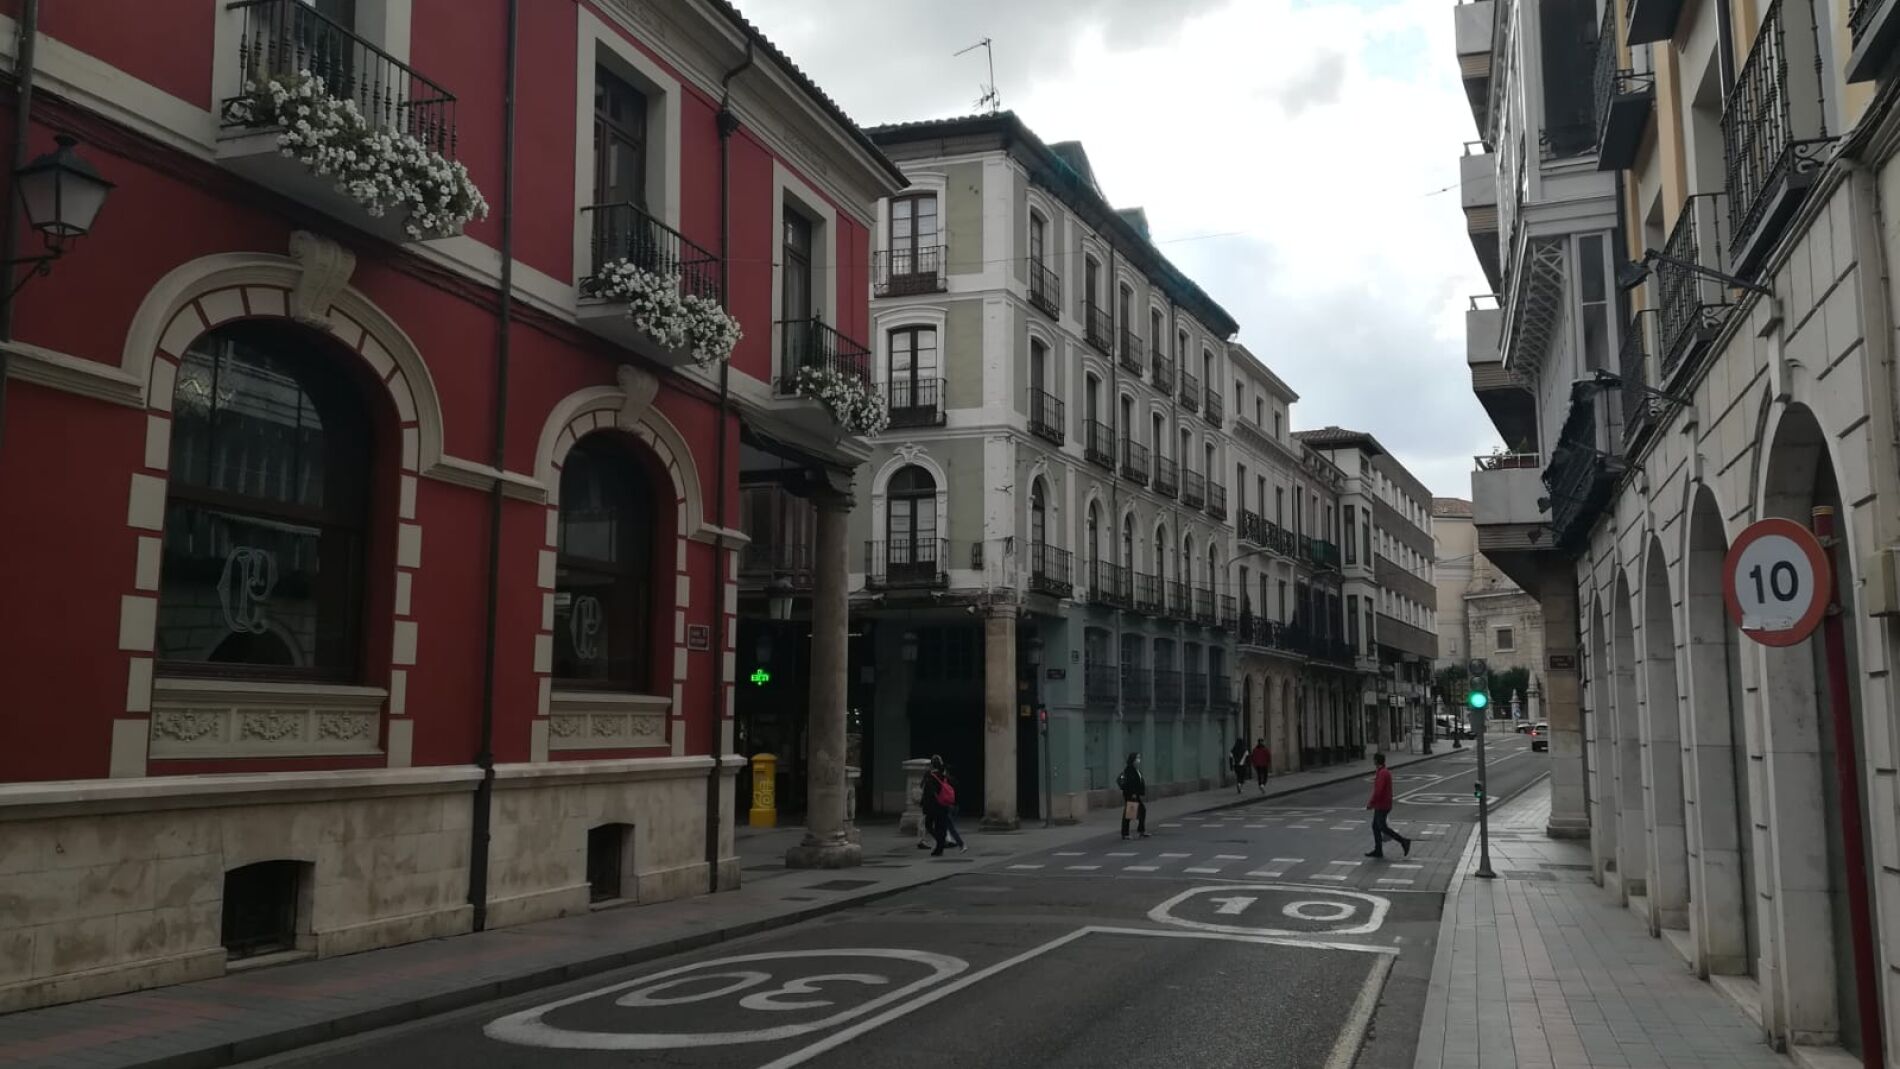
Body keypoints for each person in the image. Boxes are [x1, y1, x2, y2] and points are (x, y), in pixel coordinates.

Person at [1364, 752, 1411, 859]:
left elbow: (1378, 791)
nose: (1373, 761)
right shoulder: (1382, 771)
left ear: (1376, 761)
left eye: (1374, 759)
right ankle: (1378, 850)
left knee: (1382, 827)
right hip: (1383, 804)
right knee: (1375, 826)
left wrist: (1371, 803)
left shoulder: (1383, 773)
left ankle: (1403, 841)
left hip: (1382, 805)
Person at [922, 755, 966, 856]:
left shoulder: (930, 776)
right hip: (944, 804)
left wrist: (924, 805)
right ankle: (940, 847)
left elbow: (927, 792)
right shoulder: (944, 776)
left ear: (932, 765)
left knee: (929, 824)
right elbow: (955, 784)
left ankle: (940, 843)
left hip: (933, 805)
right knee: (940, 826)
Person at [1117, 752, 1148, 839]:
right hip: (1131, 795)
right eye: (1137, 758)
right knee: (1130, 814)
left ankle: (1141, 830)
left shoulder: (1136, 770)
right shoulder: (1129, 770)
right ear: (1132, 760)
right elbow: (1130, 783)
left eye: (1139, 758)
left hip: (1135, 794)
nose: (1138, 760)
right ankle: (1125, 833)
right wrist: (1133, 793)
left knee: (1141, 811)